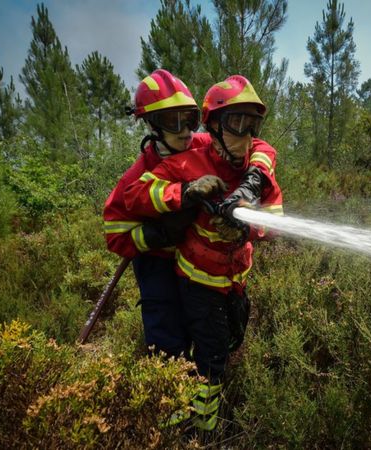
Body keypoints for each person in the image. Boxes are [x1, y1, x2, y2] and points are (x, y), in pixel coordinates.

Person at [123, 75, 283, 432]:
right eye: (234, 122)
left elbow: (275, 219)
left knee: (231, 339)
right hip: (197, 284)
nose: (243, 134)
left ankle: (192, 404)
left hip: (235, 282)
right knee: (212, 357)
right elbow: (138, 191)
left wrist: (249, 226)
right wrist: (185, 193)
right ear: (212, 125)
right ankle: (203, 428)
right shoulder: (190, 161)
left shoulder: (258, 169)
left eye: (250, 124)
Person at [103, 69, 217, 357]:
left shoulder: (201, 145)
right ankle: (167, 388)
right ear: (152, 124)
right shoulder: (135, 177)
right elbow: (115, 237)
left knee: (205, 330)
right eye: (172, 120)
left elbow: (242, 146)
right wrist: (159, 234)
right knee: (167, 339)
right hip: (156, 263)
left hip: (194, 256)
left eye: (190, 119)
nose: (185, 131)